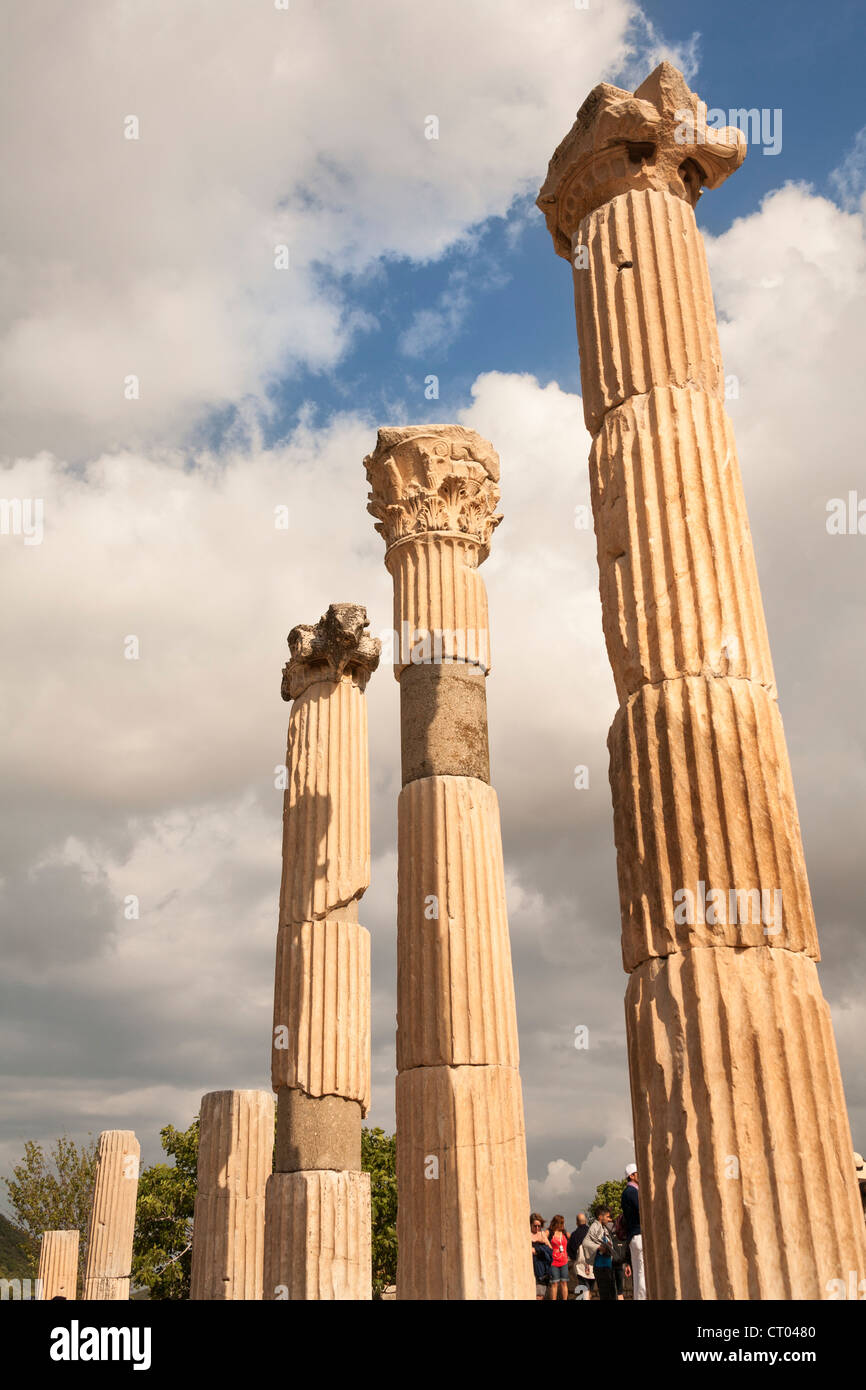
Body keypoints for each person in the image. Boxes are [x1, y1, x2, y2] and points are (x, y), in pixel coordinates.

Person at [622, 1163, 645, 1300]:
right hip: (639, 1234)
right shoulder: (632, 1192)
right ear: (631, 1176)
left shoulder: (627, 1192)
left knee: (638, 1273)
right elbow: (642, 1210)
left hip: (633, 1236)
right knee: (643, 1272)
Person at [584, 1207, 617, 1301]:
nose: (609, 1219)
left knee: (611, 1293)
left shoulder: (603, 1227)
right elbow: (586, 1243)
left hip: (607, 1265)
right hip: (601, 1266)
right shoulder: (594, 1227)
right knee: (606, 1294)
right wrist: (598, 1247)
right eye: (607, 1216)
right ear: (600, 1217)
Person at [568, 1212, 593, 1300]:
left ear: (577, 1223)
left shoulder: (574, 1235)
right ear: (585, 1221)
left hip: (580, 1265)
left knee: (584, 1287)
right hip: (593, 1265)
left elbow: (570, 1250)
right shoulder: (592, 1232)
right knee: (590, 1287)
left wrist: (574, 1258)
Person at [547, 1214, 570, 1300]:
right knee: (554, 1283)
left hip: (564, 1261)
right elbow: (543, 1237)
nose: (563, 1225)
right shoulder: (550, 1232)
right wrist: (549, 1246)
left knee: (564, 1283)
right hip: (554, 1262)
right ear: (556, 1223)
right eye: (561, 1223)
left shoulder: (564, 1232)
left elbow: (572, 1239)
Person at [530, 1212, 552, 1300]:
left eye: (539, 1226)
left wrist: (542, 1245)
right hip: (530, 1267)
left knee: (539, 1295)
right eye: (535, 1226)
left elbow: (550, 1250)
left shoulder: (542, 1234)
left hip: (541, 1268)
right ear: (530, 1224)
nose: (537, 1228)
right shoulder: (526, 1234)